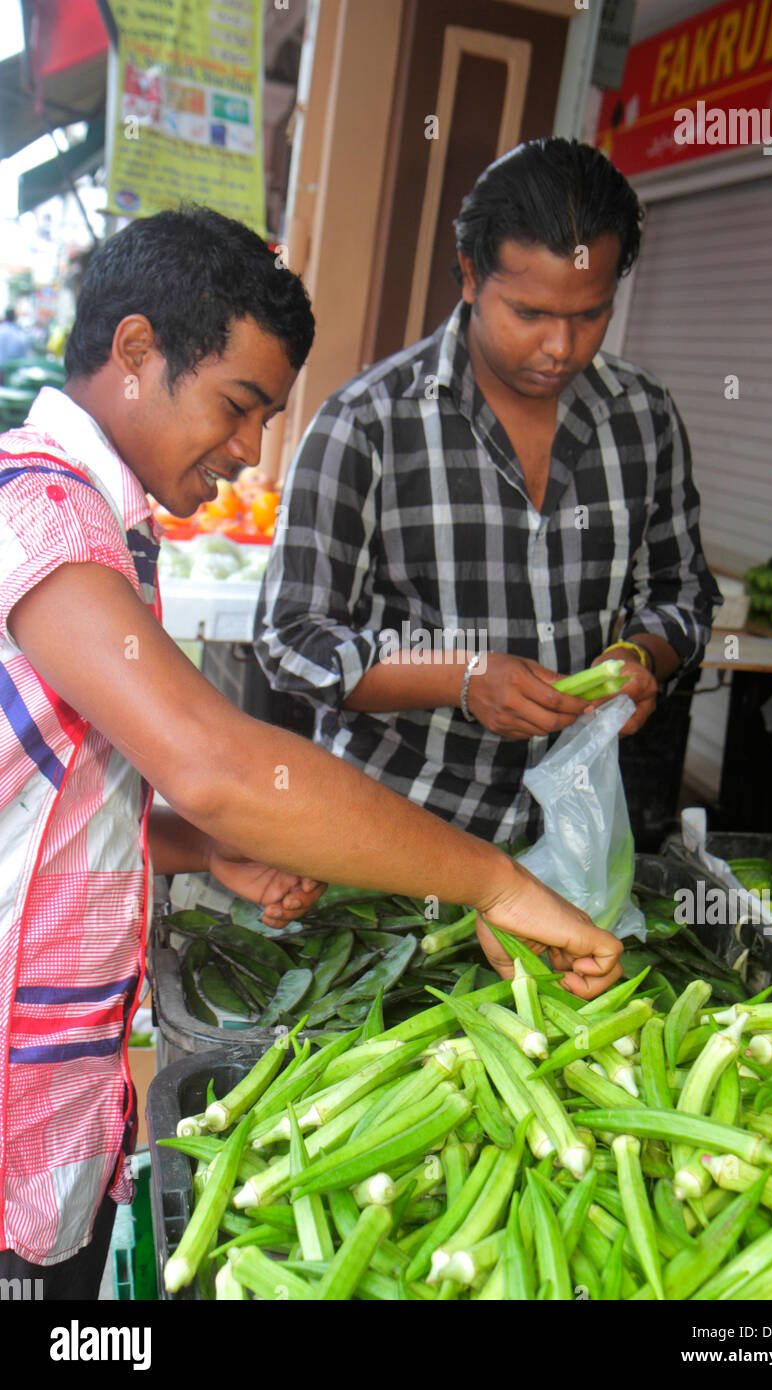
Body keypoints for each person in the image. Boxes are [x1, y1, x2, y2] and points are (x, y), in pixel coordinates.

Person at [0, 205, 620, 1298]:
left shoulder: (100, 516)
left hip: (55, 1096)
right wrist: (494, 881)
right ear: (137, 353)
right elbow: (223, 762)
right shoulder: (45, 517)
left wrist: (193, 848)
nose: (247, 452)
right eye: (238, 408)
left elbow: (49, 796)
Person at [255, 139, 722, 845]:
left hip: (569, 835)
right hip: (393, 831)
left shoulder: (643, 416)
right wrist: (462, 678)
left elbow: (680, 591)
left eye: (589, 314)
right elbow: (292, 640)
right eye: (530, 313)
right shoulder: (368, 423)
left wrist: (640, 658)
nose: (561, 346)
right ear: (472, 276)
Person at [0, 306, 32, 376]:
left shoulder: (2, 330)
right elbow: (25, 354)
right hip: (11, 372)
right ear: (15, 317)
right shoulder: (20, 335)